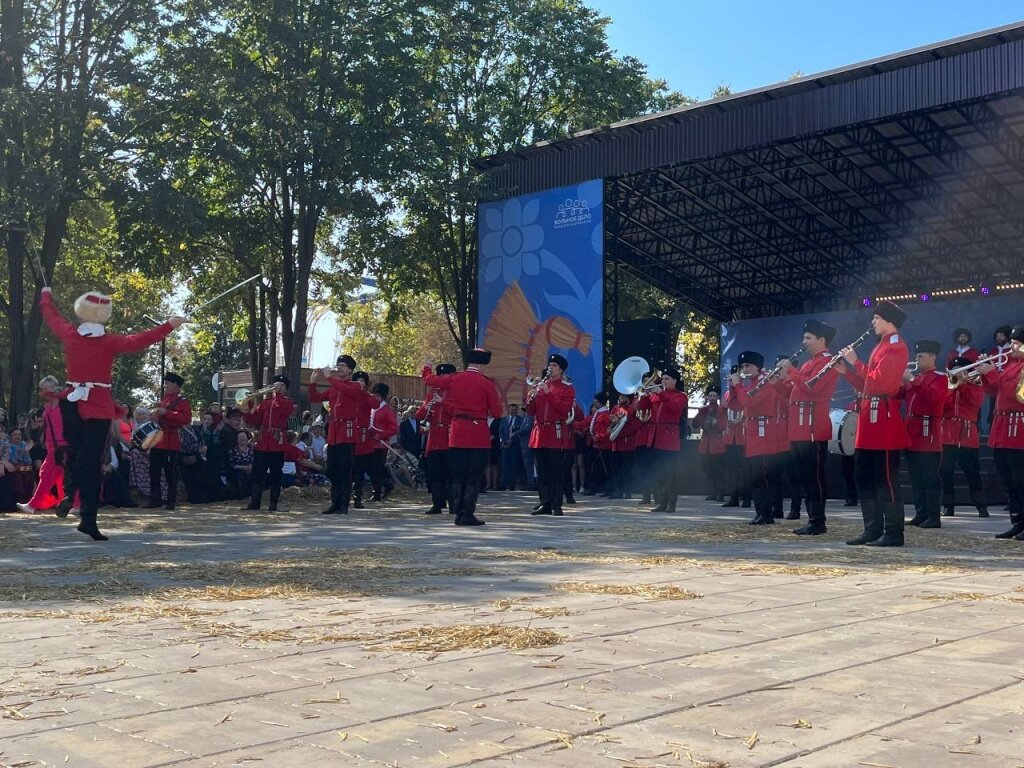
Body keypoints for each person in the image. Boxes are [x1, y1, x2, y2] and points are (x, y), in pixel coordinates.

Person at [40, 287, 184, 540]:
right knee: (91, 462)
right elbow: (141, 339)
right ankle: (87, 517)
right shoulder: (109, 341)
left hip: (72, 402)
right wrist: (169, 325)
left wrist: (46, 295)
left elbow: (52, 316)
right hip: (97, 404)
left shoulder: (71, 334)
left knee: (74, 452)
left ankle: (69, 493)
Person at [839, 301, 911, 547]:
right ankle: (872, 528)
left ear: (888, 322)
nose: (872, 322)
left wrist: (854, 362)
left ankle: (893, 532)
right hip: (869, 418)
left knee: (886, 479)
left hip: (883, 421)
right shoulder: (881, 346)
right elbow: (866, 384)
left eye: (876, 318)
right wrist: (846, 371)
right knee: (864, 476)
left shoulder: (896, 347)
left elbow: (881, 384)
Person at [422, 348, 502, 526]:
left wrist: (427, 366)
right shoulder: (487, 383)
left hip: (457, 431)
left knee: (458, 474)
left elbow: (429, 379)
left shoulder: (454, 378)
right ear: (482, 363)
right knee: (473, 474)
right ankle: (467, 512)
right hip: (478, 432)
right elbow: (497, 412)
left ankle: (457, 512)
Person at [777, 320, 840, 535]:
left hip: (813, 426)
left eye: (808, 338)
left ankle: (818, 520)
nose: (803, 342)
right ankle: (812, 518)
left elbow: (811, 387)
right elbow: (793, 392)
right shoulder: (808, 363)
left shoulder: (828, 362)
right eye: (804, 338)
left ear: (822, 340)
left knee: (814, 476)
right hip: (800, 427)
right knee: (805, 476)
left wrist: (791, 371)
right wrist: (777, 381)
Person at [309, 355, 374, 515]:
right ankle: (335, 502)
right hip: (334, 432)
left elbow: (345, 389)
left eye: (343, 366)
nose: (339, 368)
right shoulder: (333, 387)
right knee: (333, 469)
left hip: (347, 431)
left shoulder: (355, 385)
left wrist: (329, 376)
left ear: (350, 370)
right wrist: (312, 382)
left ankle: (344, 503)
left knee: (345, 469)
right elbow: (314, 398)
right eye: (338, 365)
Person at [977, 326, 1024, 540]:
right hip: (1002, 427)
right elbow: (993, 391)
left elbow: (1019, 395)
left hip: (1018, 429)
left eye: (1016, 342)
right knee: (1008, 480)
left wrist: (992, 373)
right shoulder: (1010, 365)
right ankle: (1017, 521)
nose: (1011, 346)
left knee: (1020, 479)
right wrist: (986, 374)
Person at [729, 353, 784, 525]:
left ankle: (766, 513)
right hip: (752, 431)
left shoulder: (764, 382)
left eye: (748, 366)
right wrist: (733, 387)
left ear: (757, 367)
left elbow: (747, 402)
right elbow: (734, 404)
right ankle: (760, 511)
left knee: (762, 474)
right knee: (754, 474)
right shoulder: (751, 383)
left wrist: (738, 385)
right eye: (743, 366)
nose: (745, 369)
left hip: (763, 430)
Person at [901, 340, 947, 529]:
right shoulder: (918, 377)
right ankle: (921, 512)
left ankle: (934, 515)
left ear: (932, 357)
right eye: (917, 356)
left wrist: (912, 380)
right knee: (915, 476)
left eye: (921, 356)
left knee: (930, 476)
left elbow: (934, 398)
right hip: (913, 430)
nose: (917, 359)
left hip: (928, 430)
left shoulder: (940, 377)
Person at [524, 355, 576, 517]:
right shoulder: (541, 386)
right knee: (542, 471)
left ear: (561, 369)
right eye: (549, 365)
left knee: (556, 471)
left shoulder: (567, 388)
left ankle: (557, 504)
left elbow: (563, 409)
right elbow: (530, 411)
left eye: (554, 365)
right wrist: (530, 397)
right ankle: (545, 502)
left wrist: (548, 393)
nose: (550, 368)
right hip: (540, 433)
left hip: (555, 432)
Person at [940, 356, 988, 518]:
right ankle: (948, 505)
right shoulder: (947, 386)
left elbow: (976, 402)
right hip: (948, 433)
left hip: (967, 433)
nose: (958, 373)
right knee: (945, 471)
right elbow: (941, 406)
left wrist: (963, 385)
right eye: (955, 370)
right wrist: (953, 387)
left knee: (971, 471)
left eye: (961, 369)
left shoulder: (975, 385)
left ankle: (981, 506)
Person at [18, 376, 74, 514]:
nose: (44, 391)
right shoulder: (47, 406)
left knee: (54, 473)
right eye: (42, 389)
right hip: (52, 445)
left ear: (54, 387)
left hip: (65, 443)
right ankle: (65, 503)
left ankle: (34, 504)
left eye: (46, 388)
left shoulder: (64, 403)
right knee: (56, 474)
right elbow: (46, 426)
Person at [241, 374, 294, 512]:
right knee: (257, 473)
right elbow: (255, 420)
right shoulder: (265, 403)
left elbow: (285, 410)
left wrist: (278, 395)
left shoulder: (286, 401)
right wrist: (246, 411)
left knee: (276, 473)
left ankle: (273, 503)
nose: (277, 387)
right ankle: (255, 502)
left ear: (285, 389)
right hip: (263, 442)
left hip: (277, 442)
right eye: (276, 384)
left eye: (281, 385)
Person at [639, 368, 688, 514]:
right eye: (663, 378)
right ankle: (662, 502)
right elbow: (641, 408)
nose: (663, 381)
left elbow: (675, 407)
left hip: (669, 437)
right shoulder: (657, 395)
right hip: (655, 437)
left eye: (667, 379)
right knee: (658, 472)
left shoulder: (680, 396)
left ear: (675, 381)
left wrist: (662, 394)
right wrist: (643, 396)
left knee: (670, 472)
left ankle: (671, 503)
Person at [148, 372, 192, 510]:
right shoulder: (165, 398)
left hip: (171, 440)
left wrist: (165, 413)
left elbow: (185, 418)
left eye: (167, 383)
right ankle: (155, 499)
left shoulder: (182, 400)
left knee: (170, 472)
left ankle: (170, 500)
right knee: (154, 470)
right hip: (159, 439)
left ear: (175, 385)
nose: (165, 385)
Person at [416, 364, 456, 514]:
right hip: (433, 440)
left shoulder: (455, 393)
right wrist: (427, 408)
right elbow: (419, 416)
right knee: (435, 474)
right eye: (440, 376)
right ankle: (437, 503)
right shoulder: (431, 394)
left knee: (450, 474)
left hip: (449, 438)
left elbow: (457, 411)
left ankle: (453, 504)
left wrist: (442, 402)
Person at [721, 366, 750, 508]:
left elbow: (739, 406)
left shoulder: (743, 392)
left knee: (744, 469)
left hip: (741, 435)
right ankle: (733, 497)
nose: (731, 381)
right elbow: (723, 414)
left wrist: (735, 388)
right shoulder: (727, 394)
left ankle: (746, 497)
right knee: (731, 469)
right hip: (729, 436)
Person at [692, 384, 726, 502]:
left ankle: (720, 493)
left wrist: (715, 423)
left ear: (717, 397)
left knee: (718, 469)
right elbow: (695, 424)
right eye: (710, 395)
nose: (712, 398)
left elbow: (722, 426)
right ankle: (713, 492)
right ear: (707, 397)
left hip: (717, 442)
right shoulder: (703, 410)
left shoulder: (721, 409)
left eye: (714, 396)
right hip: (705, 442)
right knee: (707, 469)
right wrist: (700, 414)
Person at [367, 383, 399, 502]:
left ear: (381, 396)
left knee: (376, 468)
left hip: (380, 444)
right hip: (370, 443)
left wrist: (380, 435)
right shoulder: (372, 408)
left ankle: (377, 493)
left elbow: (394, 428)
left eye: (376, 395)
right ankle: (386, 484)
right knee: (369, 468)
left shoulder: (387, 410)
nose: (374, 397)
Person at [609, 392, 638, 499]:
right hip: (615, 443)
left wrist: (620, 433)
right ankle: (618, 490)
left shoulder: (631, 409)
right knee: (616, 469)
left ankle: (627, 491)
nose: (620, 397)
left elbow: (632, 424)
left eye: (623, 396)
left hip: (626, 443)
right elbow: (611, 421)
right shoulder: (615, 408)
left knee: (627, 469)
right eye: (620, 396)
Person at [499, 403, 525, 491]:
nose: (513, 411)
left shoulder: (520, 420)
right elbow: (501, 432)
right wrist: (505, 440)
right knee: (505, 465)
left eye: (515, 409)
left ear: (517, 410)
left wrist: (512, 440)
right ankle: (503, 484)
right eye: (512, 409)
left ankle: (511, 484)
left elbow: (521, 432)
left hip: (515, 445)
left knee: (514, 465)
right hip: (505, 445)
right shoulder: (504, 420)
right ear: (509, 410)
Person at [228, 429, 254, 499]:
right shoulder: (233, 451)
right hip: (238, 470)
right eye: (240, 437)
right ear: (237, 439)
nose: (242, 438)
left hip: (251, 469)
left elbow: (256, 461)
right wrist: (244, 467)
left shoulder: (253, 450)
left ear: (247, 438)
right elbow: (231, 465)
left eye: (243, 436)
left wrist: (251, 466)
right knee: (240, 474)